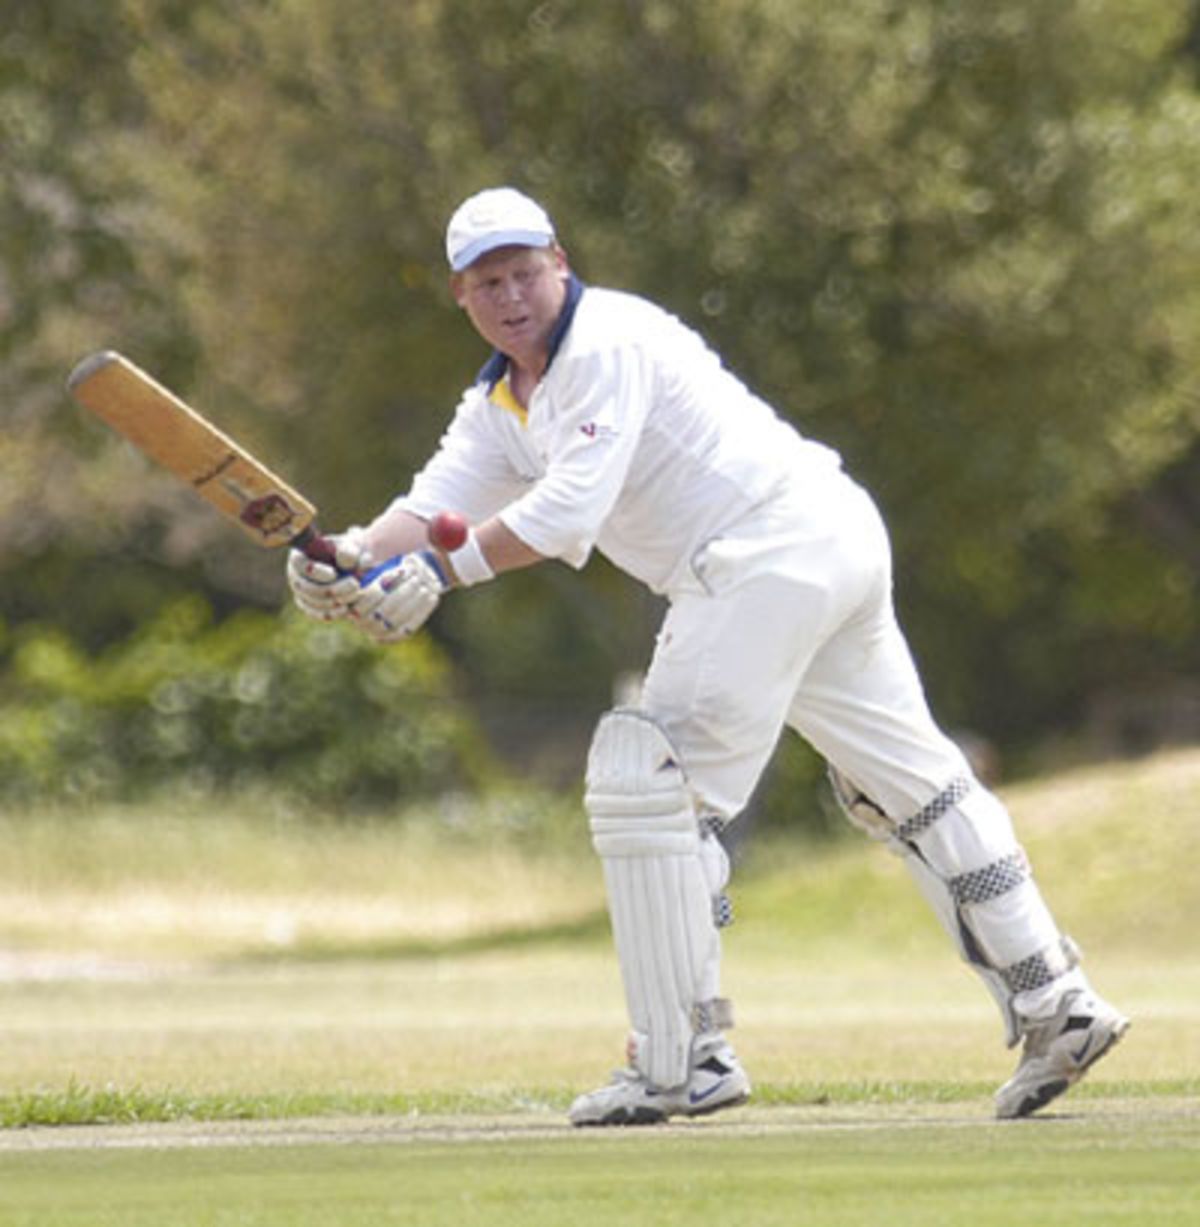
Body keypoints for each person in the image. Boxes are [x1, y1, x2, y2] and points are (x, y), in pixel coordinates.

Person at [286, 186, 1129, 1126]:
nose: (513, 294)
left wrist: (440, 570)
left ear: (559, 263)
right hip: (822, 538)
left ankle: (681, 1059)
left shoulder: (605, 340)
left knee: (654, 786)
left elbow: (565, 513)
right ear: (462, 296)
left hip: (761, 553)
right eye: (490, 282)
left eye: (526, 271)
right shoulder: (500, 399)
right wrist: (353, 556)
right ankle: (1059, 1002)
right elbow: (435, 494)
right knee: (915, 788)